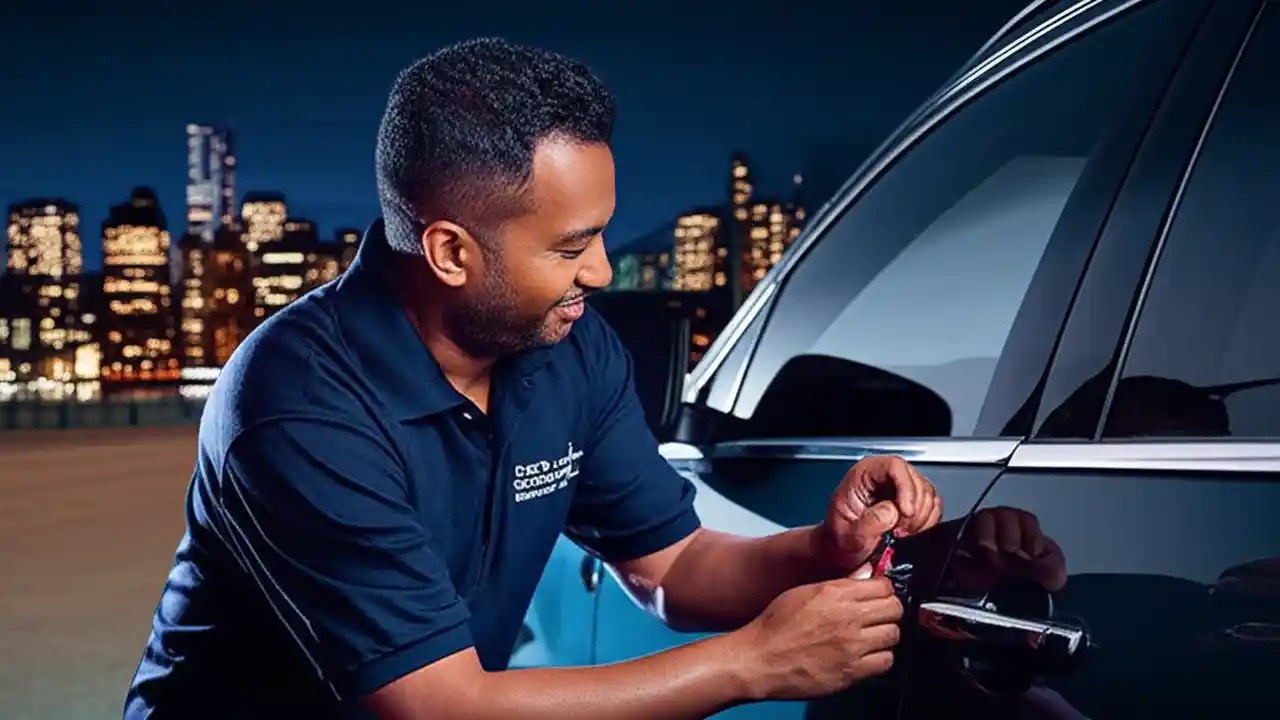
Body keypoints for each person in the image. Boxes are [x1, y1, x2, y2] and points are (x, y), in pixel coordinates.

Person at [123, 37, 942, 720]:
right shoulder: (297, 403)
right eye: (568, 245)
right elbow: (438, 705)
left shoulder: (570, 347)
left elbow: (673, 566)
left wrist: (820, 551)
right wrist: (756, 664)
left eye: (602, 235)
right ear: (450, 252)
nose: (603, 270)